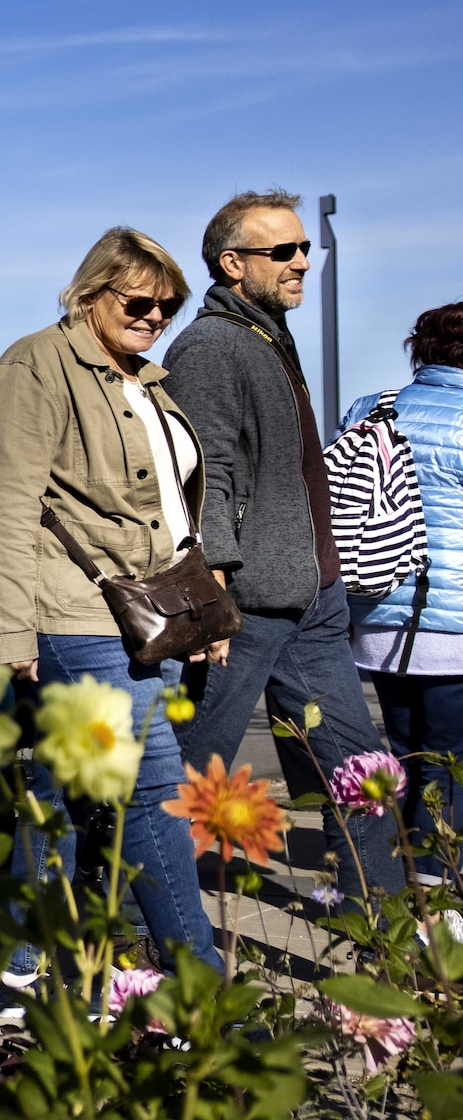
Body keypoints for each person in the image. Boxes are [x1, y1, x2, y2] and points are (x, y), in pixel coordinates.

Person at [0, 226, 220, 972]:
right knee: (151, 788)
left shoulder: (148, 381)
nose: (155, 317)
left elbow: (169, 511)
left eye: (169, 306)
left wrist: (205, 606)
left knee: (57, 791)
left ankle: (20, 965)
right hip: (76, 612)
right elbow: (3, 506)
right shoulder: (36, 364)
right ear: (90, 292)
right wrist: (11, 635)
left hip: (155, 613)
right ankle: (198, 989)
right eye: (139, 301)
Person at [163, 191, 402, 897]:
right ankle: (133, 926)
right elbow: (203, 474)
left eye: (304, 248)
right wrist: (214, 589)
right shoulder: (211, 347)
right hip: (245, 607)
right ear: (233, 264)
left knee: (364, 773)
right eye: (283, 251)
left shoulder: (267, 336)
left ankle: (381, 928)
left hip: (313, 599)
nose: (302, 261)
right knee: (182, 779)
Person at [342, 301, 463, 880]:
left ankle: (398, 877)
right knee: (450, 762)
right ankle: (436, 894)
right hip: (455, 627)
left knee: (404, 752)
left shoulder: (371, 408)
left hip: (377, 615)